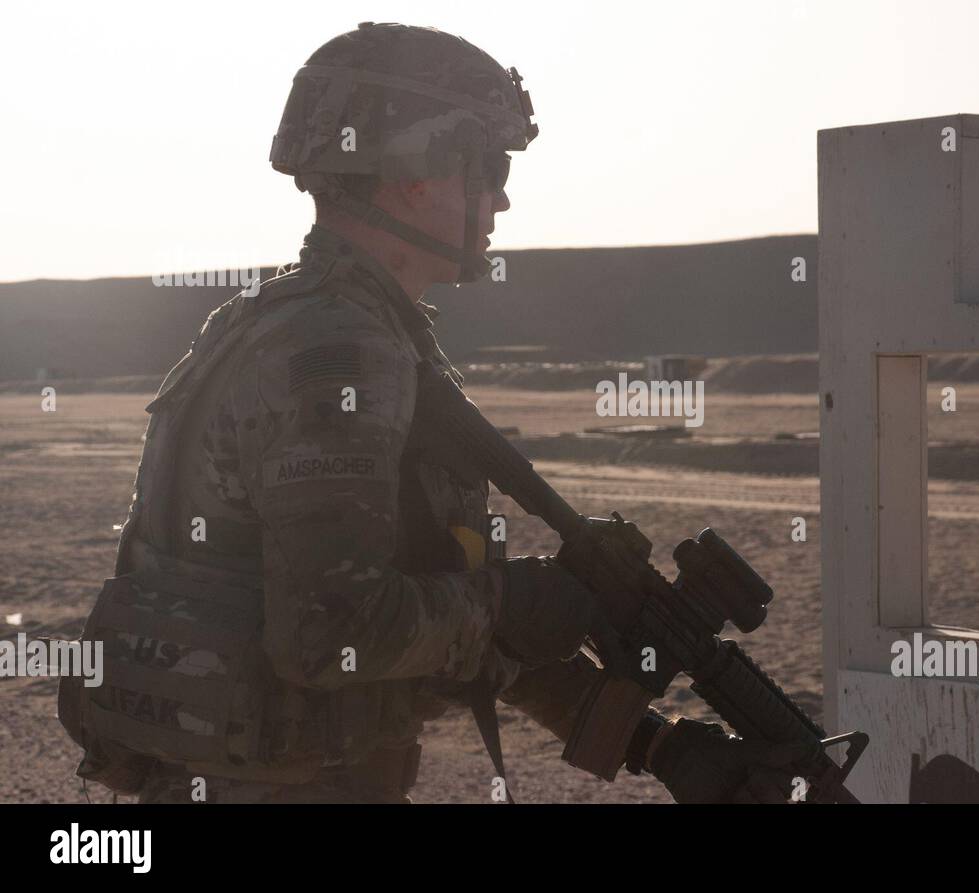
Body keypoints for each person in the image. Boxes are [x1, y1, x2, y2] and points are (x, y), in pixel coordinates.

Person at [59, 22, 803, 804]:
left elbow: (428, 608)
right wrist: (513, 601)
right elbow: (334, 631)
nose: (502, 198)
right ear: (416, 170)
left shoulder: (307, 323)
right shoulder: (341, 349)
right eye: (489, 166)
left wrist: (655, 744)